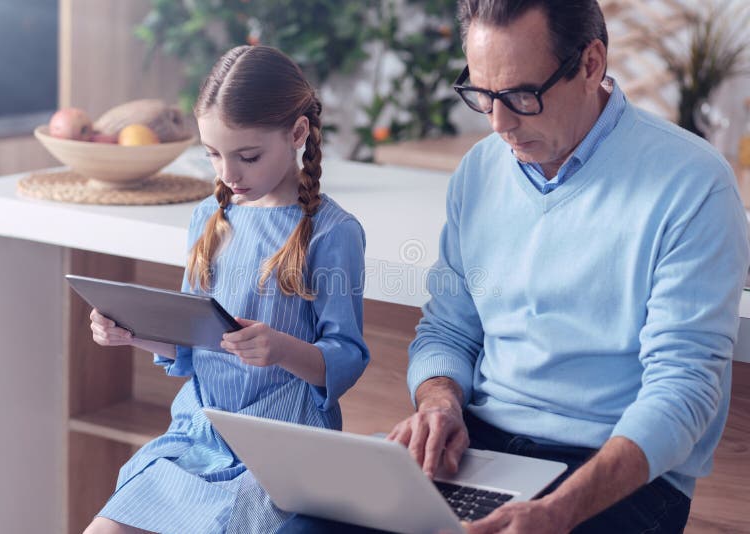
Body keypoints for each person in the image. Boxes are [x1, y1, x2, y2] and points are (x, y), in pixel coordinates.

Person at [278, 1, 749, 533]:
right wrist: (441, 402)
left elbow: (684, 390)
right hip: (484, 444)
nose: (499, 124)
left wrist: (558, 511)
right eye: (483, 95)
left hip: (618, 473)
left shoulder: (693, 184)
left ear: (591, 64)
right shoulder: (481, 170)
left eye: (522, 96)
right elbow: (448, 330)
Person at [83, 45, 370, 534]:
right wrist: (132, 334)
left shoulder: (331, 231)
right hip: (201, 431)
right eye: (213, 154)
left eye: (247, 156)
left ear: (297, 133)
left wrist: (279, 348)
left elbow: (345, 357)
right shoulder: (208, 219)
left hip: (284, 444)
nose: (228, 174)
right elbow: (195, 342)